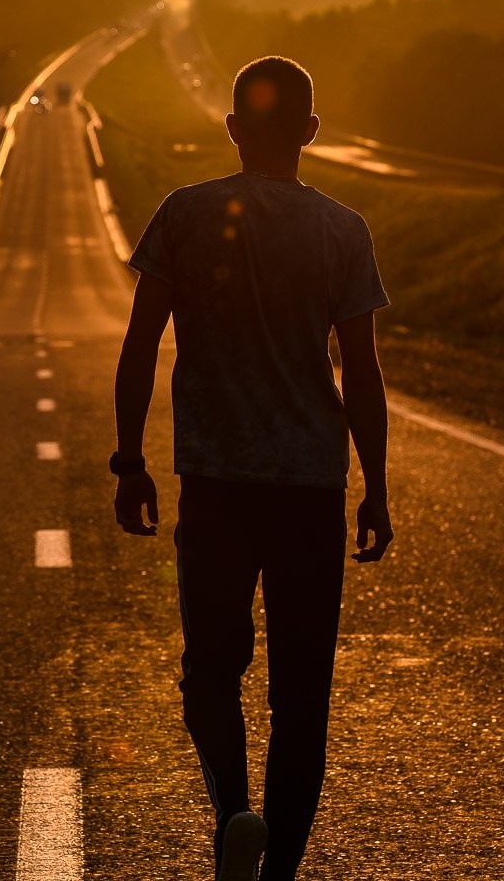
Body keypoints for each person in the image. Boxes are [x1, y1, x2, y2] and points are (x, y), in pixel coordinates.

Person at [111, 55, 394, 881]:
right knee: (301, 696)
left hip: (217, 486)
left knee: (211, 672)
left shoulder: (185, 215)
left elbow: (140, 349)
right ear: (311, 131)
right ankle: (278, 876)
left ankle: (234, 811)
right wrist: (374, 485)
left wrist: (130, 461)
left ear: (232, 129)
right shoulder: (343, 229)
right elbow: (362, 371)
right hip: (310, 487)